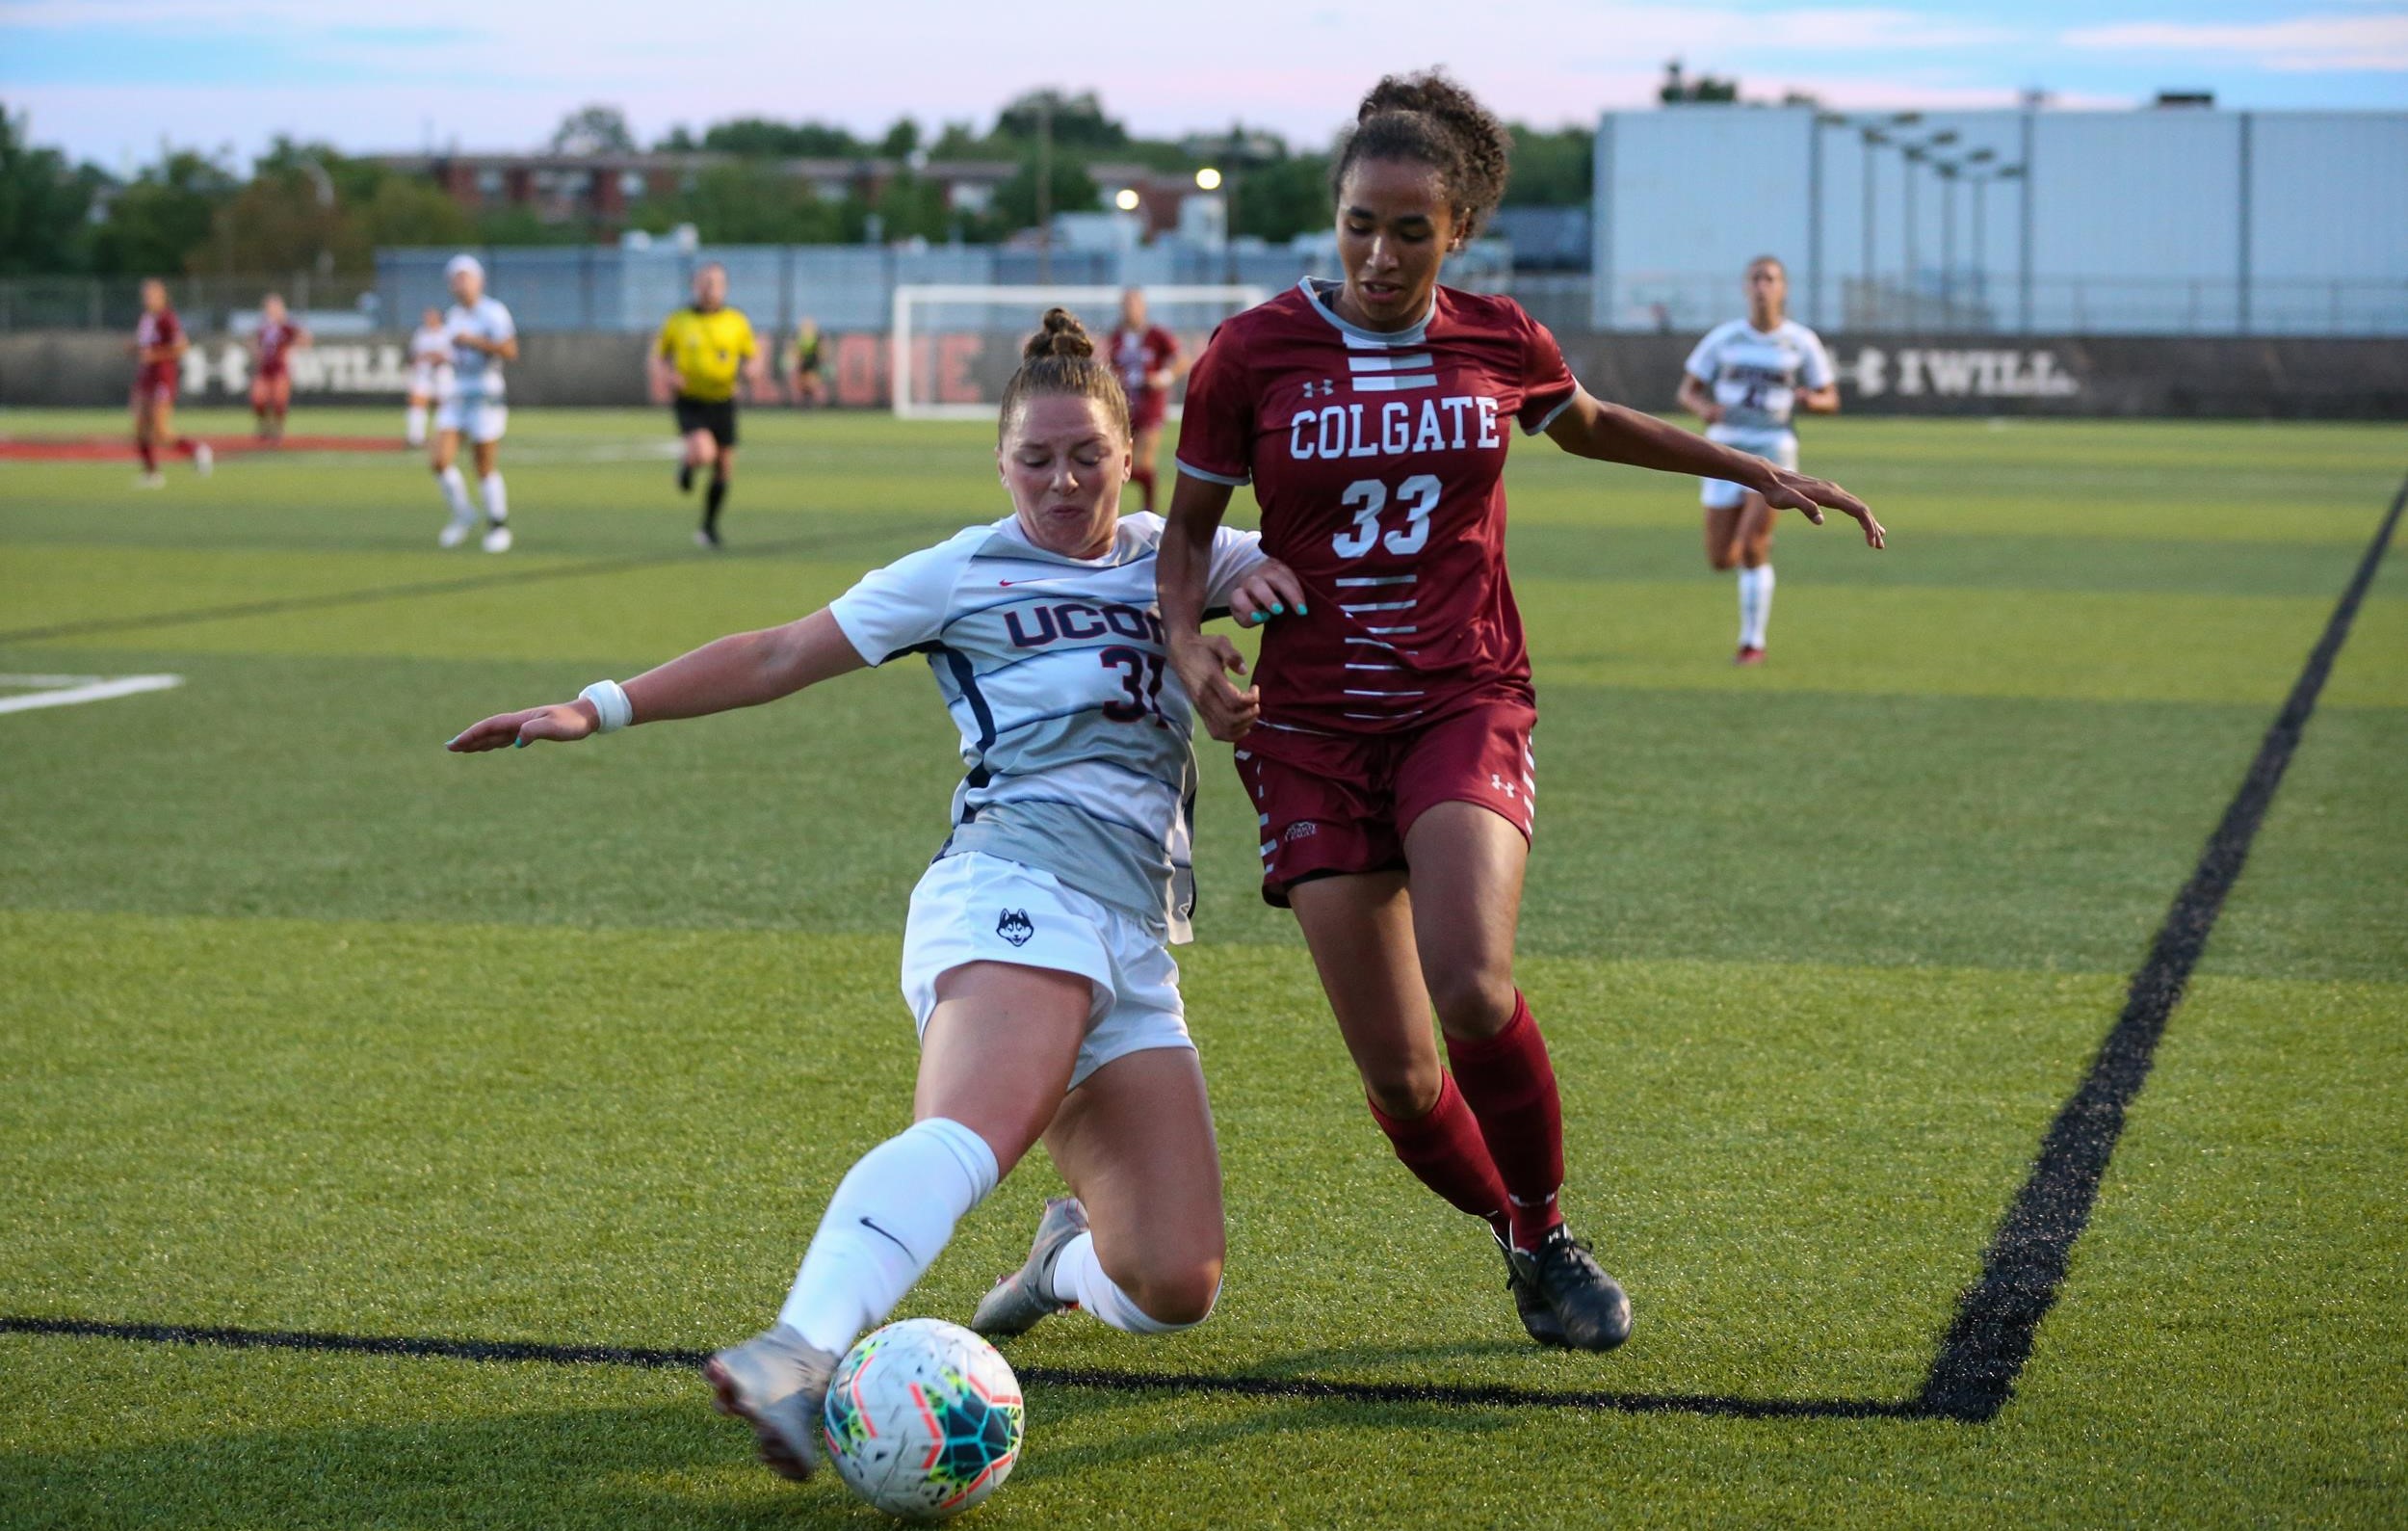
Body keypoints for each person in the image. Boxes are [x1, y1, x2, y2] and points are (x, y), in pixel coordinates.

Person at [447, 308, 1301, 1485]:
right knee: (971, 1132)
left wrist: (1264, 582)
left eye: (1086, 456)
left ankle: (1058, 1262)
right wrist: (597, 705)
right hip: (1013, 884)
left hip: (1137, 937)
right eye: (1035, 459)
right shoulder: (958, 570)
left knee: (1173, 1283)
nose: (1061, 481)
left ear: (1129, 455)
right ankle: (796, 1347)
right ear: (999, 463)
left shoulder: (1174, 552)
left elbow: (1290, 565)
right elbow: (777, 652)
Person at [1158, 72, 1884, 1354]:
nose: (1381, 255)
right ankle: (1517, 1237)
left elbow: (1587, 423)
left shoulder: (1500, 337)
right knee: (1401, 1076)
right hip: (1310, 728)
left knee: (1473, 985)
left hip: (1464, 694)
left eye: (1411, 230)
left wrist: (1749, 467)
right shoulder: (1250, 352)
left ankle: (1548, 1230)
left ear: (1461, 230)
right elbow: (1186, 537)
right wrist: (1188, 647)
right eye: (1359, 224)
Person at [1675, 256, 1840, 665]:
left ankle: (1752, 643)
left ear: (1783, 288)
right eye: (1756, 279)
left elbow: (1830, 397)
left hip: (1774, 449)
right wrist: (1704, 408)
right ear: (1745, 287)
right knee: (1721, 558)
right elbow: (1687, 391)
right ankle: (1757, 543)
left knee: (1752, 546)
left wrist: (1811, 400)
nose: (1762, 286)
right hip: (1724, 451)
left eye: (1770, 279)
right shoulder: (1724, 338)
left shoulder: (1800, 340)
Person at [650, 262, 768, 548]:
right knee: (705, 452)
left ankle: (708, 528)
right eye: (705, 282)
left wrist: (753, 369)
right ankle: (688, 465)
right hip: (691, 400)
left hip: (724, 400)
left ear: (724, 288)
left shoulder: (736, 321)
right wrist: (668, 375)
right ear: (695, 285)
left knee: (724, 467)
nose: (710, 289)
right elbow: (657, 357)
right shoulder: (679, 320)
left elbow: (753, 356)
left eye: (716, 283)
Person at [432, 254, 517, 553]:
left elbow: (510, 350)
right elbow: (457, 354)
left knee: (483, 464)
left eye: (465, 277)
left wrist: (475, 341)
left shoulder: (493, 312)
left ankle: (498, 524)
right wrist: (445, 358)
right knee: (439, 460)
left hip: (485, 394)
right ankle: (463, 513)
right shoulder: (453, 315)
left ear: (479, 280)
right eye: (455, 279)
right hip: (458, 393)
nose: (460, 284)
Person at [126, 278, 212, 488]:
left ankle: (197, 451)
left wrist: (155, 355)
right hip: (145, 377)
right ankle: (152, 474)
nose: (148, 299)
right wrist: (134, 349)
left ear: (162, 296)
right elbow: (145, 347)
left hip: (162, 378)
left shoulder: (167, 318)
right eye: (146, 295)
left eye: (152, 295)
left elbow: (182, 346)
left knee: (160, 430)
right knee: (140, 427)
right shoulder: (147, 318)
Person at [1106, 288, 1181, 514]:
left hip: (1150, 406)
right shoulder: (1116, 337)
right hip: (1123, 407)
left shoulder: (1157, 335)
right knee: (1118, 462)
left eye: (1135, 304)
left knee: (1142, 462)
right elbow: (1109, 365)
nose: (1131, 309)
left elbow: (1180, 359)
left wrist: (1163, 378)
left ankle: (1149, 510)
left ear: (1143, 307)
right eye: (1127, 304)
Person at [249, 293, 310, 444]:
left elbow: (305, 338)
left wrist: (294, 347)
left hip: (280, 369)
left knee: (279, 400)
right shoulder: (263, 327)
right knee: (258, 400)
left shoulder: (287, 326)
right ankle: (265, 425)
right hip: (264, 369)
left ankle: (278, 429)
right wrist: (256, 351)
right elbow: (253, 341)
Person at [405, 306, 452, 448]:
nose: (427, 319)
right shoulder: (421, 333)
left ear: (438, 318)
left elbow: (450, 355)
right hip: (424, 374)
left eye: (431, 316)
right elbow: (414, 355)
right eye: (427, 316)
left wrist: (434, 356)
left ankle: (443, 437)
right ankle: (415, 438)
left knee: (444, 405)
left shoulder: (447, 333)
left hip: (443, 374)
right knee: (417, 402)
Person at [783, 315, 827, 408]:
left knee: (811, 381)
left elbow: (822, 350)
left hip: (813, 361)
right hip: (802, 362)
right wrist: (794, 359)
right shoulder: (798, 335)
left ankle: (808, 399)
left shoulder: (817, 336)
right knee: (802, 382)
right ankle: (806, 399)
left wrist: (821, 360)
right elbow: (792, 349)